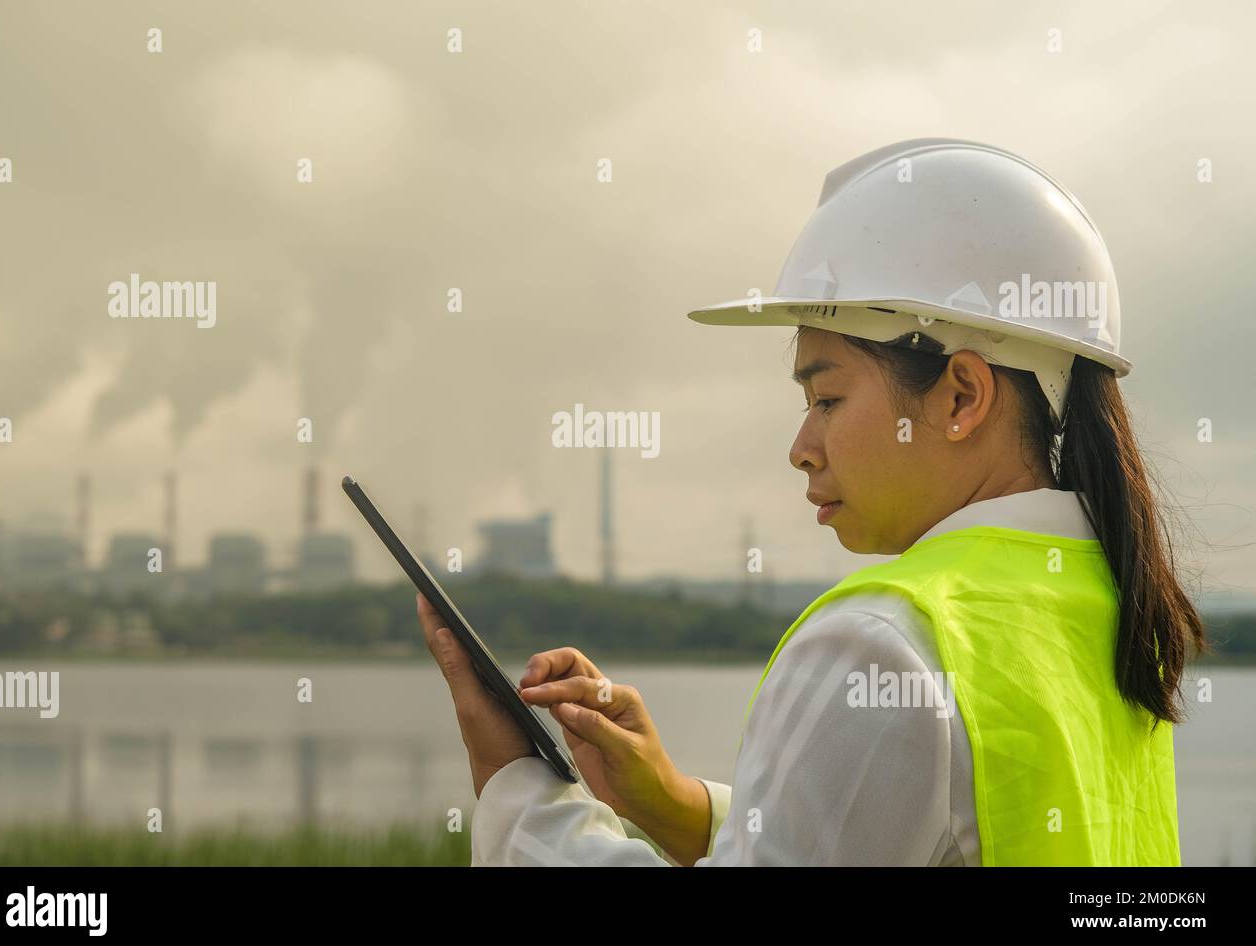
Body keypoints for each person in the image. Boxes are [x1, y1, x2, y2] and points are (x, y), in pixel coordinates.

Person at [416, 138, 1206, 866]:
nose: (801, 446)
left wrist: (516, 790)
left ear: (962, 393)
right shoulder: (1115, 610)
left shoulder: (879, 643)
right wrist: (678, 807)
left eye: (826, 398)